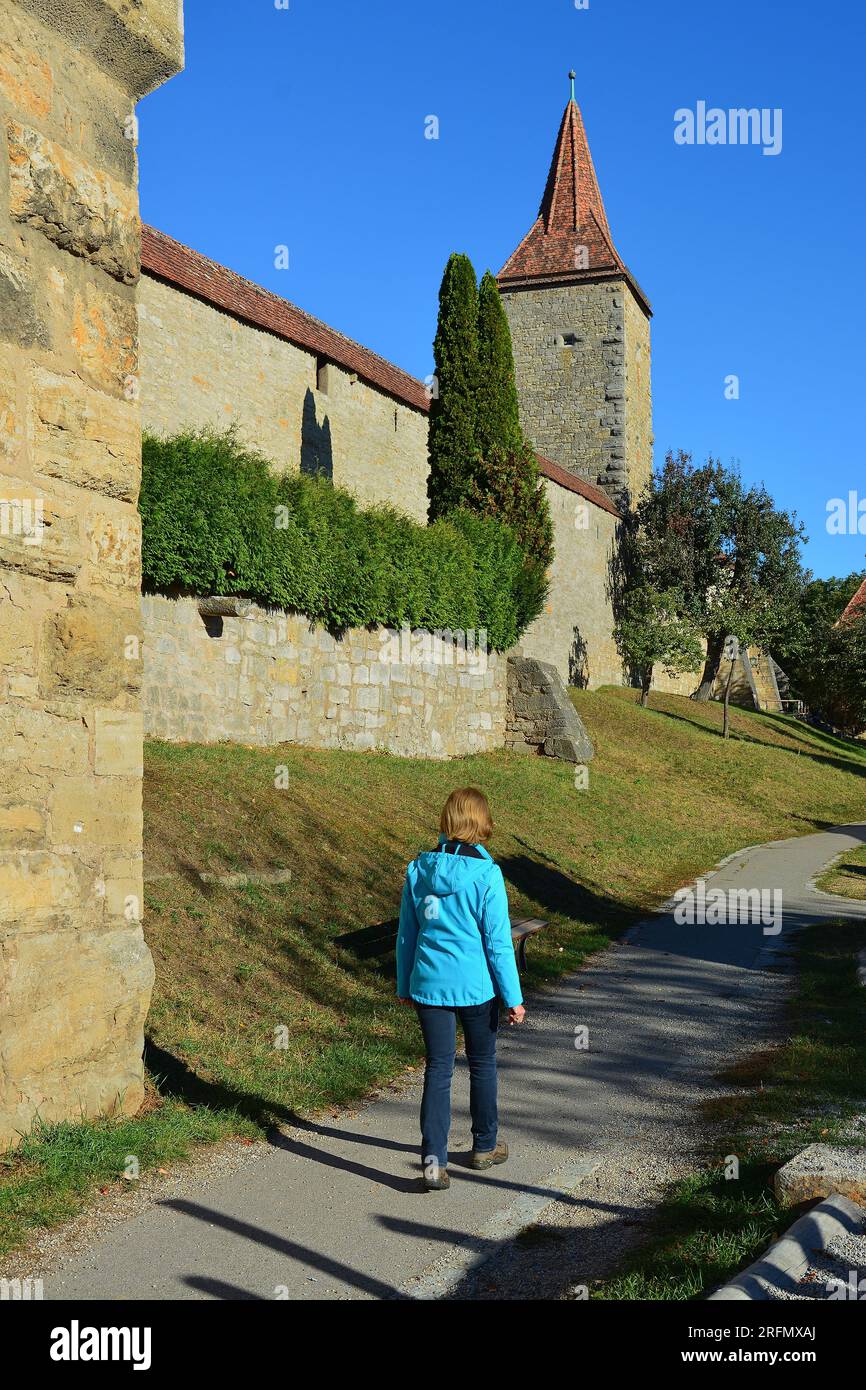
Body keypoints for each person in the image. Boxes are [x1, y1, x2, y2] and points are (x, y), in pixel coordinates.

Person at [396, 787, 525, 1192]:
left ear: (447, 820)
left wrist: (404, 983)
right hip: (476, 987)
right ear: (482, 823)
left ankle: (433, 1163)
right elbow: (497, 942)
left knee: (438, 1069)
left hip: (429, 986)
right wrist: (514, 997)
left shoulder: (418, 870)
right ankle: (484, 1147)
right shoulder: (486, 874)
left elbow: (407, 935)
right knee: (482, 1064)